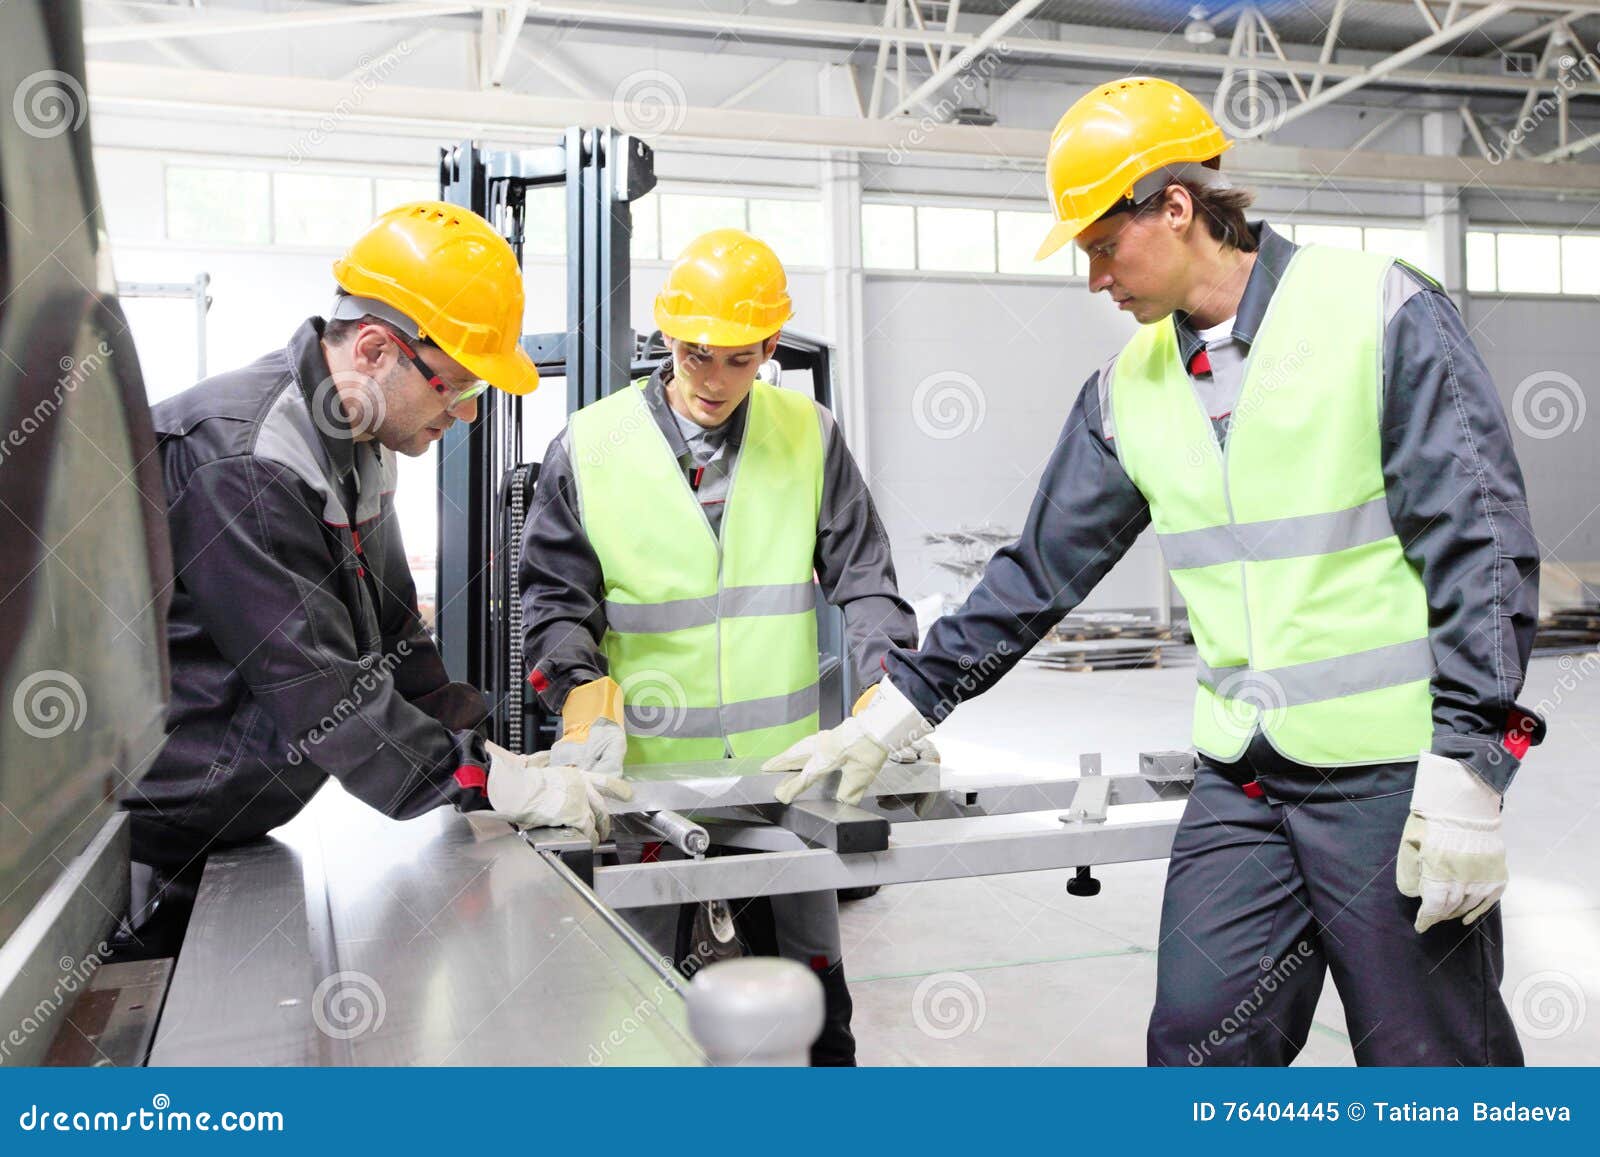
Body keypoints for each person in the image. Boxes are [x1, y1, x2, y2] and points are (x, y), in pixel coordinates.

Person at [766, 77, 1543, 1066]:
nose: (1093, 278)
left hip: (1392, 776)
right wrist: (900, 704)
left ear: (1176, 207)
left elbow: (1476, 536)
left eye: (1099, 244)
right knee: (1193, 1046)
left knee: (1434, 1063)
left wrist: (1472, 758)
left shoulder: (1373, 309)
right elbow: (1038, 570)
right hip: (1246, 782)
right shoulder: (1127, 388)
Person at [121, 202, 628, 956]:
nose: (460, 416)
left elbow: (397, 638)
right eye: (453, 388)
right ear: (374, 347)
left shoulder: (359, 447)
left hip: (232, 829)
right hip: (154, 842)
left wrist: (493, 753)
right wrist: (478, 781)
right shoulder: (246, 462)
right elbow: (318, 686)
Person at [519, 228, 922, 1065]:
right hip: (648, 790)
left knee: (813, 1019)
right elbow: (556, 605)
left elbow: (867, 581)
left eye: (739, 360)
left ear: (770, 346)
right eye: (696, 354)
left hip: (785, 782)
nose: (713, 380)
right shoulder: (590, 447)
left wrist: (890, 696)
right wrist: (580, 700)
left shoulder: (809, 434)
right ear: (668, 337)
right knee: (641, 1026)